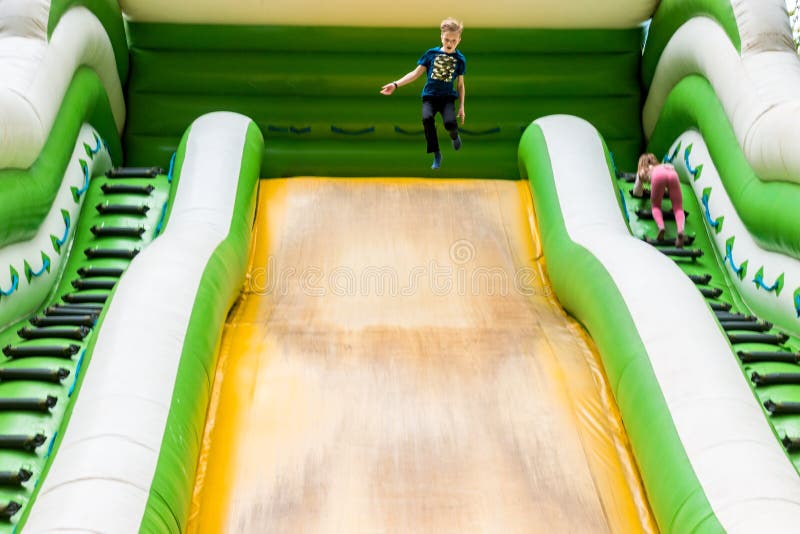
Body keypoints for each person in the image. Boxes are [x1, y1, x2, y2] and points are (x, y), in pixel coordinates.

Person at [380, 18, 466, 170]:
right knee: (427, 119)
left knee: (450, 124)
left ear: (459, 39)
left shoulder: (460, 60)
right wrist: (395, 84)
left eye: (453, 40)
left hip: (447, 99)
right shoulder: (431, 54)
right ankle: (436, 153)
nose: (449, 44)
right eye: (447, 39)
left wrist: (462, 107)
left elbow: (460, 84)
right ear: (441, 37)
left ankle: (454, 135)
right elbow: (415, 74)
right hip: (430, 97)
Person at [633, 153, 686, 247]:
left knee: (656, 207)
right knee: (678, 208)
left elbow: (636, 192)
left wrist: (643, 190)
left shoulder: (642, 170)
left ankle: (661, 227)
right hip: (672, 172)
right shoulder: (662, 165)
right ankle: (680, 230)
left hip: (658, 176)